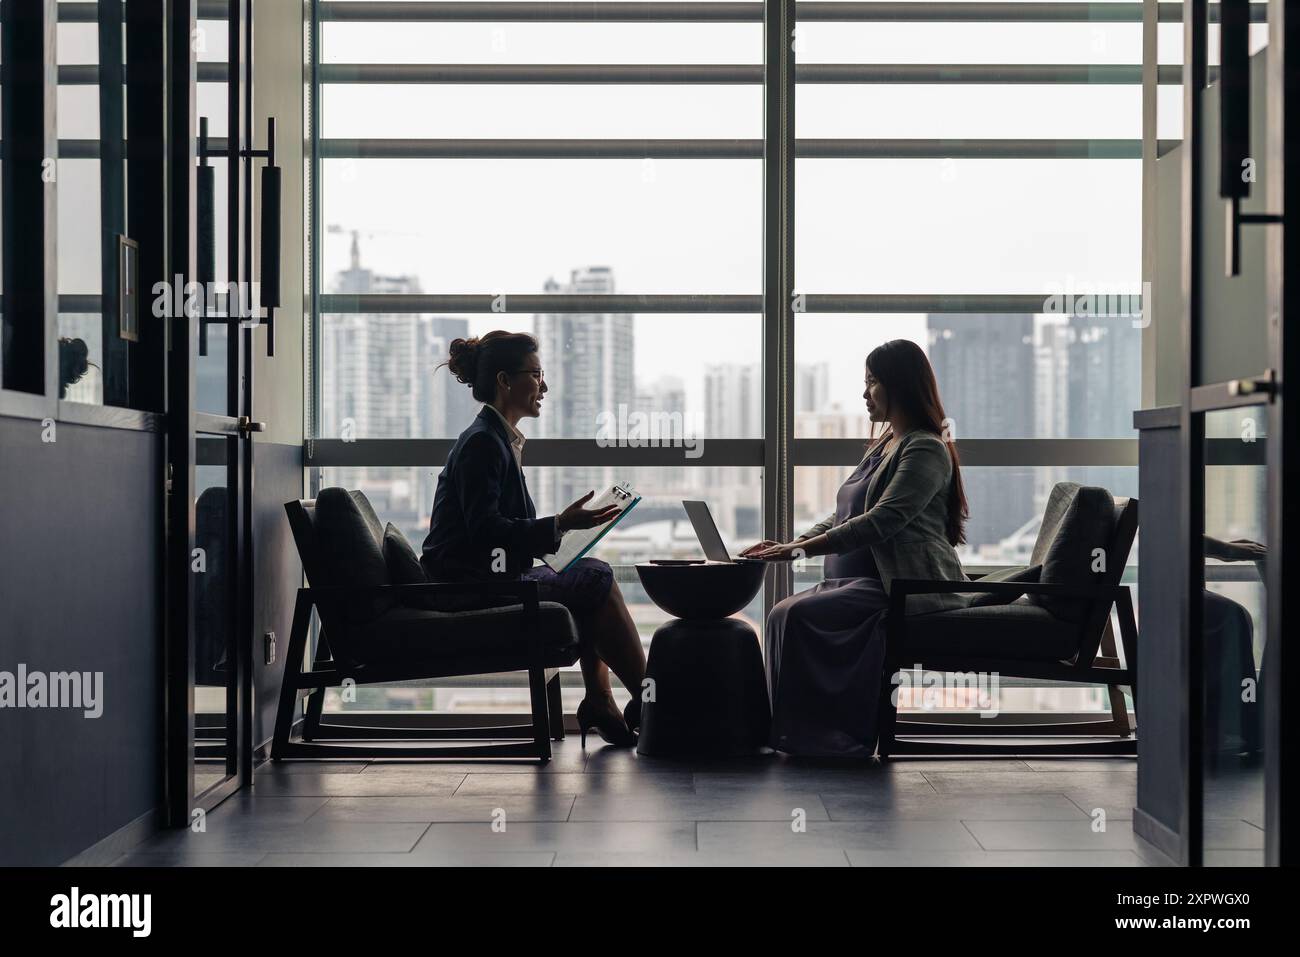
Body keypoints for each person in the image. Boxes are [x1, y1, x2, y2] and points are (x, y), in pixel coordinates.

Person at [743, 339, 970, 757]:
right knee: (779, 615)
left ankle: (830, 738)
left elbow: (883, 522)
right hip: (853, 583)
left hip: (896, 589)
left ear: (899, 385)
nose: (865, 394)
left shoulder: (924, 448)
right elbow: (844, 516)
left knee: (794, 614)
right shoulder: (884, 446)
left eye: (872, 383)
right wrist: (791, 545)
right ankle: (789, 733)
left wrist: (803, 551)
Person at [421, 331, 646, 747]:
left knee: (591, 575)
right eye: (537, 375)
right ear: (506, 381)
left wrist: (563, 529)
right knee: (596, 579)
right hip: (470, 585)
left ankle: (605, 700)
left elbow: (498, 529)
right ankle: (646, 703)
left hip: (479, 575)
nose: (544, 386)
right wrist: (559, 524)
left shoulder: (496, 439)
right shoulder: (483, 444)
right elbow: (486, 532)